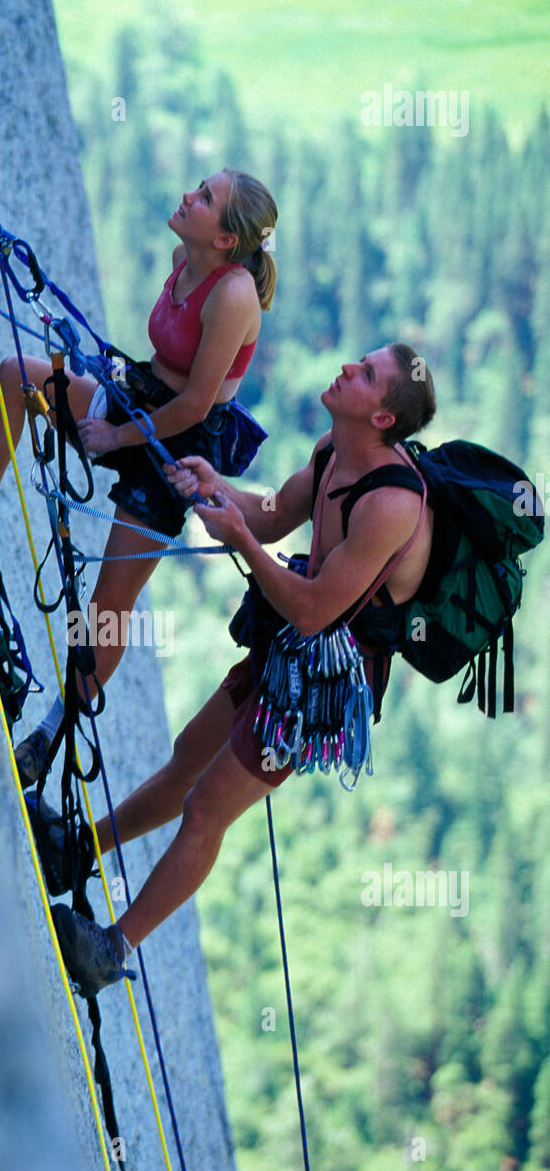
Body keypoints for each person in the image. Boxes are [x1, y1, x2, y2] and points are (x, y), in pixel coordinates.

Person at [50, 342, 438, 996]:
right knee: (185, 760)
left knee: (205, 808)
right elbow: (275, 513)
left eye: (366, 375)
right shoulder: (333, 451)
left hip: (322, 688)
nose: (347, 368)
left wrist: (239, 541)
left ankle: (111, 949)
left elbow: (315, 611)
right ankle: (80, 848)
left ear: (381, 419)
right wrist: (215, 486)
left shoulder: (389, 505)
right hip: (292, 650)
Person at [0, 169, 278, 786]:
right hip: (138, 400)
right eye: (198, 186)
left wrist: (115, 436)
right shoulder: (182, 259)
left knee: (108, 606)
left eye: (205, 198)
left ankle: (54, 727)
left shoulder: (233, 296)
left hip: (177, 449)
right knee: (18, 376)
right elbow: (163, 379)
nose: (188, 196)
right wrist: (116, 413)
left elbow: (196, 405)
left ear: (225, 240)